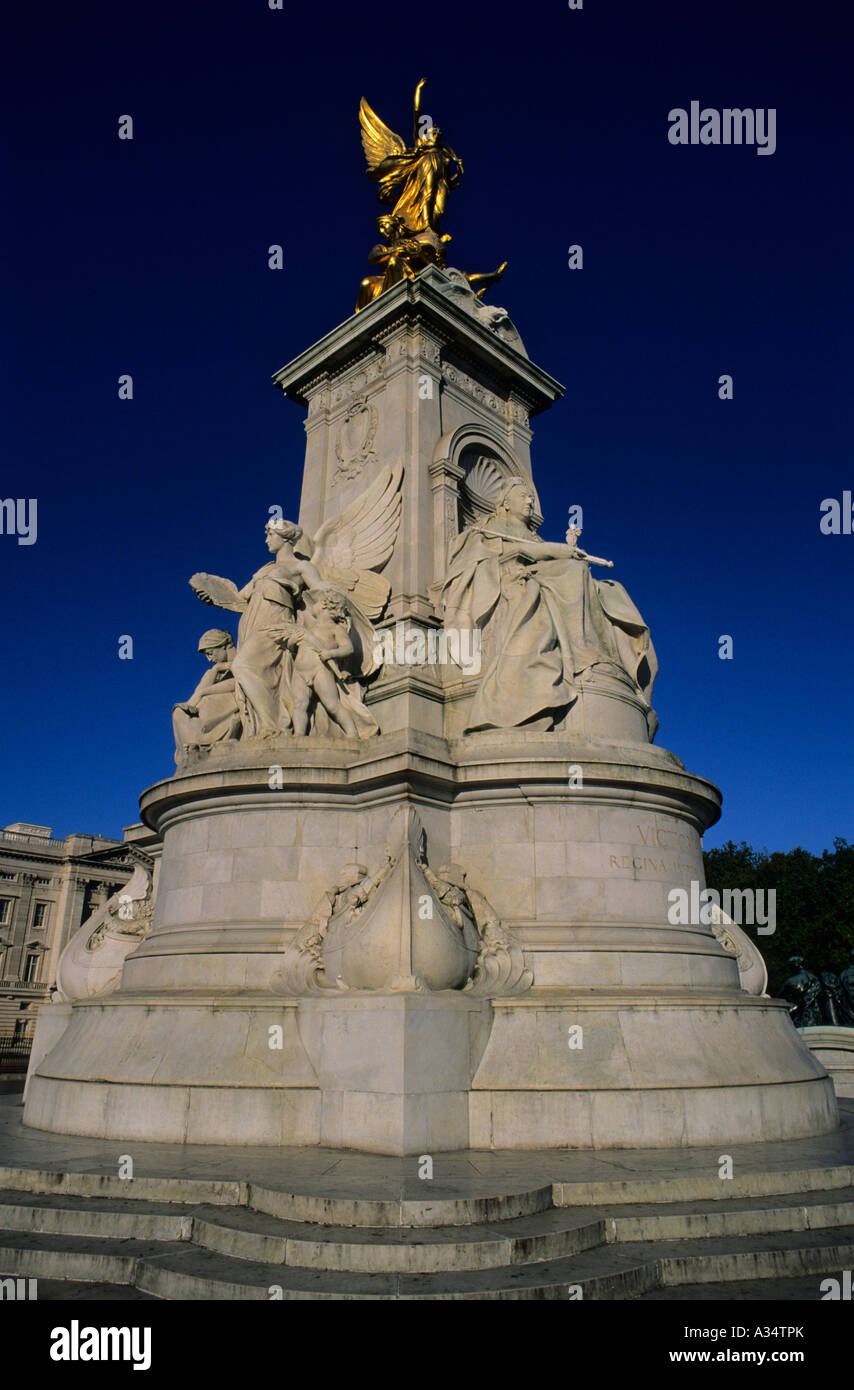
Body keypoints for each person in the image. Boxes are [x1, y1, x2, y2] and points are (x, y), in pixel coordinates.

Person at [442, 478, 656, 733]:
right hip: (511, 577)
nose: (530, 501)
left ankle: (595, 659)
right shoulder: (490, 527)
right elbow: (488, 559)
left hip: (541, 574)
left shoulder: (535, 537)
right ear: (506, 502)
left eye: (531, 497)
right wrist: (555, 552)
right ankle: (580, 660)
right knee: (566, 577)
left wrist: (564, 551)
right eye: (523, 495)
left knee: (611, 590)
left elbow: (546, 557)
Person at [172, 630, 241, 758]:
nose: (209, 659)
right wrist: (214, 671)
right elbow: (196, 695)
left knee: (198, 709)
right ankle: (194, 747)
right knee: (178, 712)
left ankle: (201, 744)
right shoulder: (218, 668)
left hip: (237, 699)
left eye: (211, 653)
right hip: (216, 703)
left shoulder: (242, 658)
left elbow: (240, 682)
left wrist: (204, 692)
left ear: (225, 645)